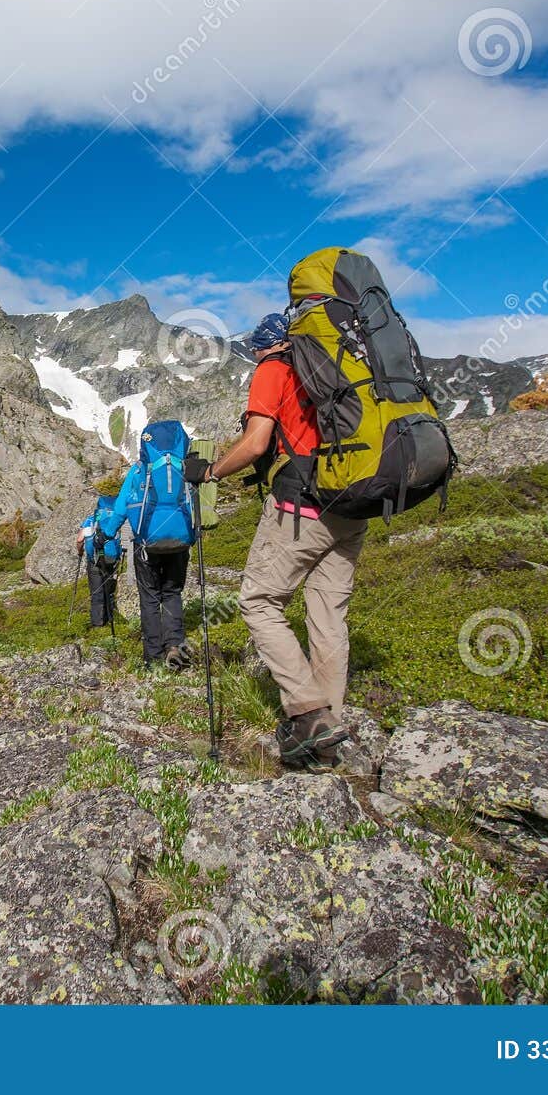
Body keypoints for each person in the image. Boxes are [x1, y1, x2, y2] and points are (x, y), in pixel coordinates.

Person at [182, 312, 367, 770]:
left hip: (300, 507)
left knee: (259, 602)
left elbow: (256, 443)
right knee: (327, 615)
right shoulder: (336, 365)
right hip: (352, 503)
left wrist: (209, 471)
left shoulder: (274, 369)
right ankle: (328, 733)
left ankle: (307, 712)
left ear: (263, 346)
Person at [104, 419, 196, 670]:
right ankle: (175, 645)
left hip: (146, 543)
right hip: (180, 541)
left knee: (150, 598)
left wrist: (107, 533)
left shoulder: (139, 470)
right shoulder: (185, 467)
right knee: (172, 592)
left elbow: (121, 505)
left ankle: (153, 657)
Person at [76, 495, 121, 629]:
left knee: (96, 592)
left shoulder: (91, 520)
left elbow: (79, 540)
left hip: (94, 560)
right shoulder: (116, 519)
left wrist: (80, 552)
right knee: (110, 589)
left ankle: (98, 623)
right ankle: (111, 618)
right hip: (112, 559)